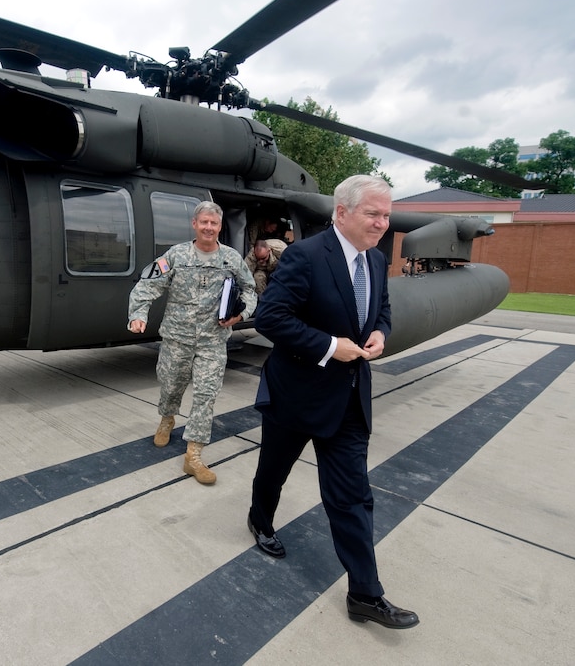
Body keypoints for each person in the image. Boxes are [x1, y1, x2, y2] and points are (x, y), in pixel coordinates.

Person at [247, 175, 419, 629]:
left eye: (386, 215)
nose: (383, 223)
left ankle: (365, 593)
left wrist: (380, 330)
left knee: (352, 496)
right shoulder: (305, 257)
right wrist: (328, 345)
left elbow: (378, 309)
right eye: (373, 214)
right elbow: (270, 317)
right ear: (341, 213)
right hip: (297, 395)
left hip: (348, 400)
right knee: (274, 470)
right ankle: (260, 520)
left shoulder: (378, 261)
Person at [128, 201, 257, 485]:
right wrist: (138, 314)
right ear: (195, 225)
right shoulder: (177, 255)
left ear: (220, 227)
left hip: (213, 341)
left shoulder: (231, 259)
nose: (209, 227)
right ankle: (167, 418)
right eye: (204, 222)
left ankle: (193, 455)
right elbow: (147, 283)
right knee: (171, 384)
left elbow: (250, 289)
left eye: (214, 223)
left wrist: (240, 314)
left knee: (206, 395)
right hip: (177, 337)